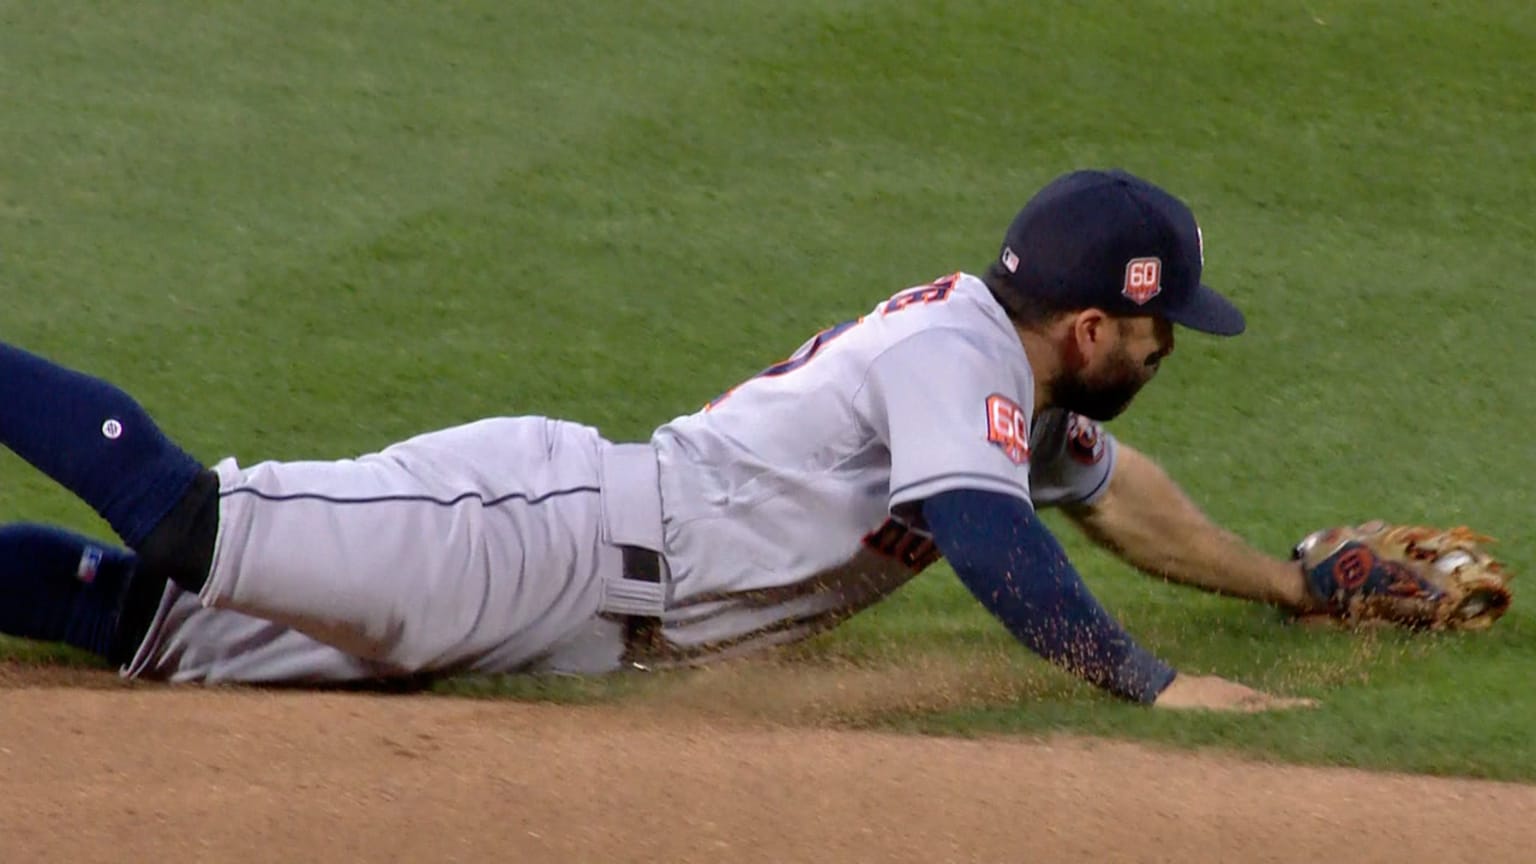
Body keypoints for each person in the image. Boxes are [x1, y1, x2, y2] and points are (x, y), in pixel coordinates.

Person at [0, 169, 1317, 710]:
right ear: (1093, 328)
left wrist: (1295, 586)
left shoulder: (1008, 396)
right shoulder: (954, 356)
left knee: (139, 619)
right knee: (189, 524)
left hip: (563, 620)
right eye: (1159, 332)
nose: (1166, 353)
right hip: (543, 536)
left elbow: (1116, 495)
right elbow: (987, 538)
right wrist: (1149, 681)